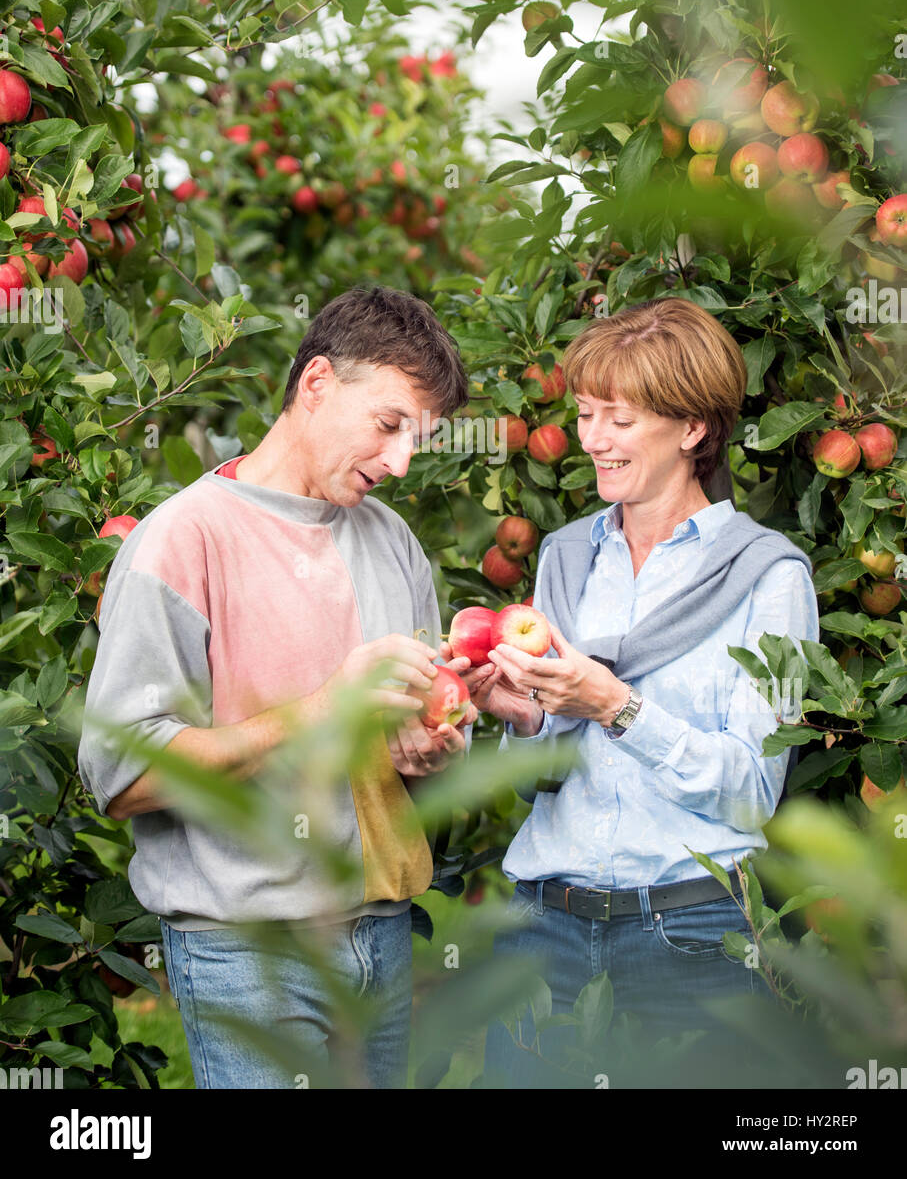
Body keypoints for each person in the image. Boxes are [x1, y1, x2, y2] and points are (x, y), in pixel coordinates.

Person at [78, 285, 474, 1089]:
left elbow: (413, 728)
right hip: (248, 948)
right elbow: (121, 779)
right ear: (317, 383)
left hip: (382, 931)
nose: (400, 462)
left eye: (418, 440)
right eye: (389, 425)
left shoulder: (390, 539)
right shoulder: (181, 540)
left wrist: (430, 742)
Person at [444, 297, 819, 1088]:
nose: (592, 440)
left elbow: (753, 793)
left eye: (619, 419)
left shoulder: (770, 577)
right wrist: (518, 714)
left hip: (691, 931)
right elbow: (549, 753)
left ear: (691, 429)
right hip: (542, 920)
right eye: (584, 414)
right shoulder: (565, 556)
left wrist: (618, 708)